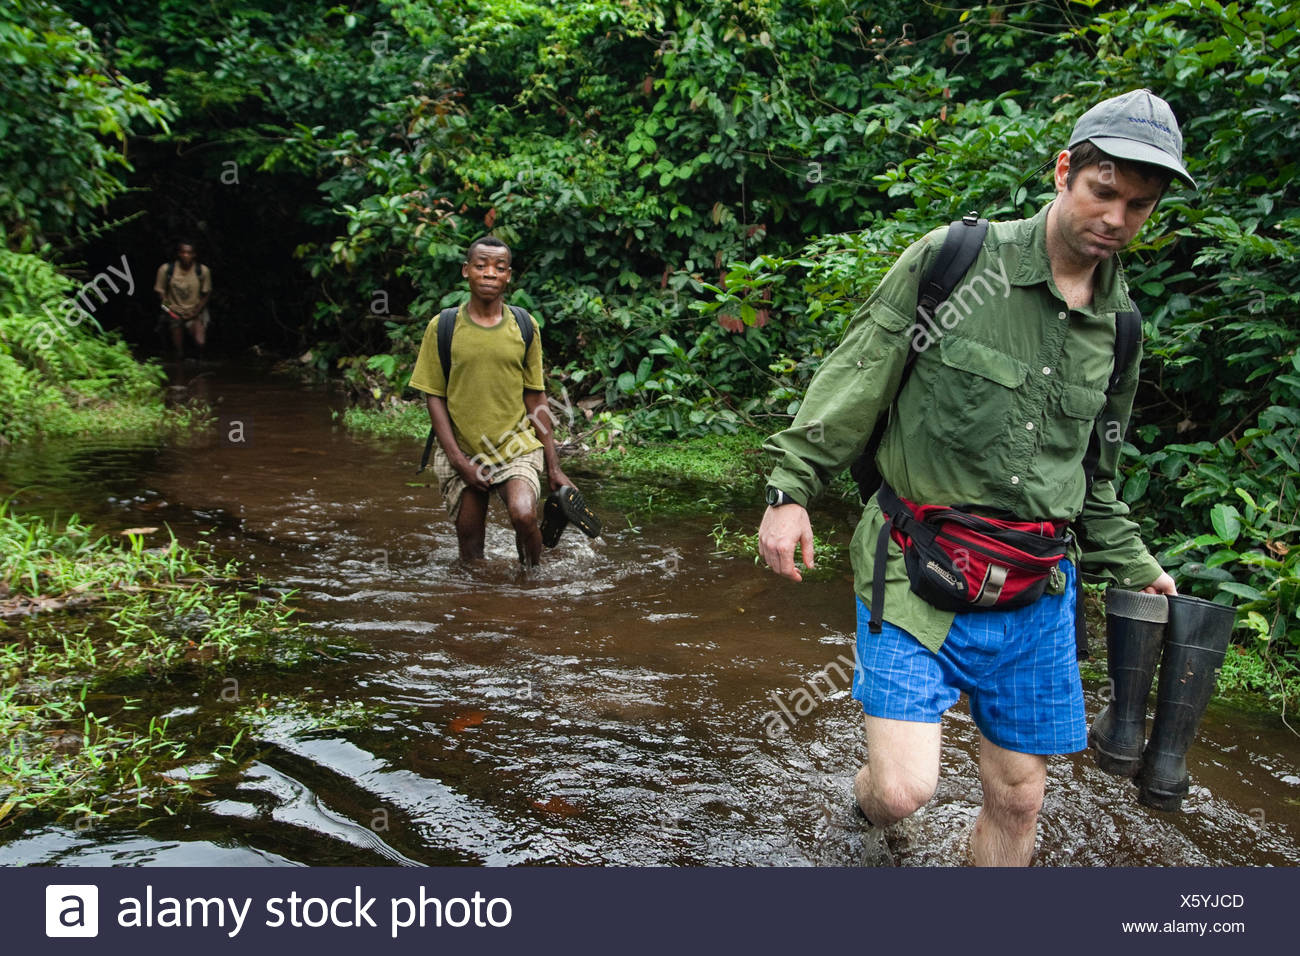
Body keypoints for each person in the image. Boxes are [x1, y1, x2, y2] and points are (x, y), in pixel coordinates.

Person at [757, 89, 1192, 866]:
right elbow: (856, 377)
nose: (1117, 220)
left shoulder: (1120, 328)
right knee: (901, 791)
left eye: (1140, 205)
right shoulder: (955, 262)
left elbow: (1095, 479)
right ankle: (855, 818)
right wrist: (791, 492)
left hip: (1034, 588)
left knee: (1020, 798)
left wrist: (1137, 565)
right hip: (914, 566)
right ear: (1065, 171)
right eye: (1104, 192)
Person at [408, 236, 578, 566]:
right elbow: (434, 398)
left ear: (508, 276)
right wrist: (459, 461)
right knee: (471, 552)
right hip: (463, 449)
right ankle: (482, 609)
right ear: (466, 271)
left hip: (515, 445)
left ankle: (532, 585)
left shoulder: (525, 325)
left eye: (499, 268)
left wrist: (554, 467)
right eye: (481, 266)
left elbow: (535, 396)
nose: (489, 273)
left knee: (524, 515)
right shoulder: (442, 327)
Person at [153, 240, 212, 359]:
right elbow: (160, 292)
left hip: (194, 310)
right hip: (173, 310)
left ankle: (196, 362)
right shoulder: (166, 269)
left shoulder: (202, 271)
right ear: (178, 254)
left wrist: (195, 312)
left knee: (200, 343)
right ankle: (179, 363)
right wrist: (169, 310)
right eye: (183, 252)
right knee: (178, 351)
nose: (186, 255)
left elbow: (206, 294)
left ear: (194, 255)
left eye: (189, 253)